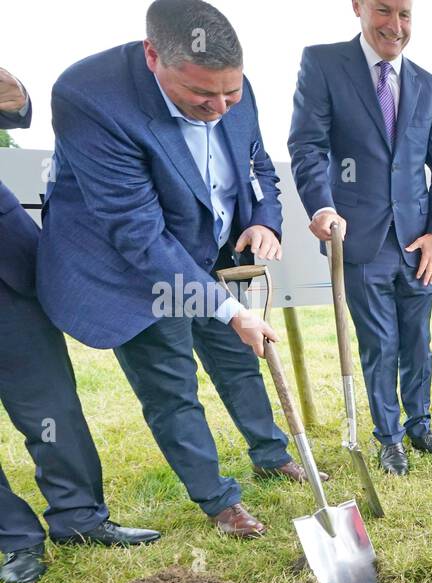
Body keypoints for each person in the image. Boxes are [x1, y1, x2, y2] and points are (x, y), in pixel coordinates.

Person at [37, 0, 318, 540]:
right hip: (129, 270)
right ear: (152, 56)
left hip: (208, 254)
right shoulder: (89, 97)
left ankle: (271, 453)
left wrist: (265, 220)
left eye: (229, 94)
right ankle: (220, 501)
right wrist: (230, 308)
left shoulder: (230, 86)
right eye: (201, 95)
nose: (219, 106)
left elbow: (256, 163)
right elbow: (136, 231)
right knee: (172, 387)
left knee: (239, 358)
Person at [288, 0, 432, 477]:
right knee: (380, 343)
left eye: (405, 15)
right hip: (359, 239)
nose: (396, 25)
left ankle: (421, 426)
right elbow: (307, 145)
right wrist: (323, 207)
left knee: (418, 341)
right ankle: (389, 439)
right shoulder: (323, 64)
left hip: (417, 243)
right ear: (358, 7)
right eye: (384, 10)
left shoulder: (430, 85)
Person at [0, 67, 160, 583]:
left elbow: (14, 111)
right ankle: (15, 538)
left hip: (6, 279)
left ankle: (81, 519)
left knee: (51, 410)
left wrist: (14, 89)